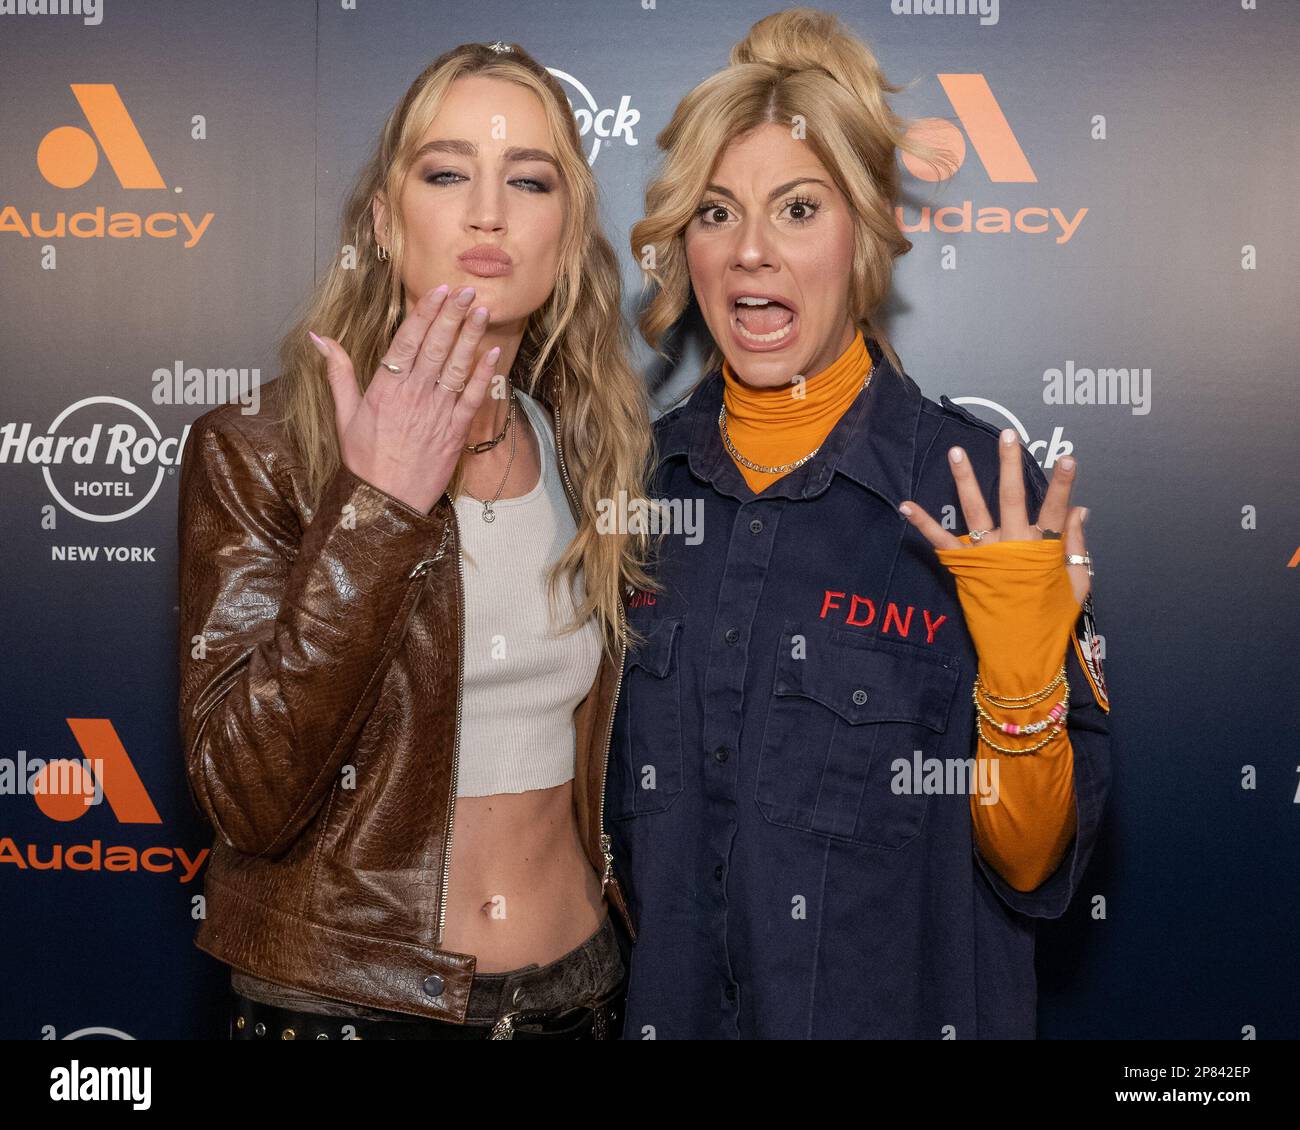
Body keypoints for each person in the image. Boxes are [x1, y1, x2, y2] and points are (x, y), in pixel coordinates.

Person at [608, 7, 1112, 1039]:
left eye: (797, 209)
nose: (749, 250)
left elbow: (1033, 865)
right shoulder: (624, 485)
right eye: (714, 212)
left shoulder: (977, 487)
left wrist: (1024, 683)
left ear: (872, 225)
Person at [176, 40, 653, 1040]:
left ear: (566, 232)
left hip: (580, 996)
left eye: (529, 180)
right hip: (355, 1006)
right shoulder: (260, 450)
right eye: (446, 174)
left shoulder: (593, 451)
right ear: (387, 222)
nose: (488, 211)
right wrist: (378, 511)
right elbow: (245, 794)